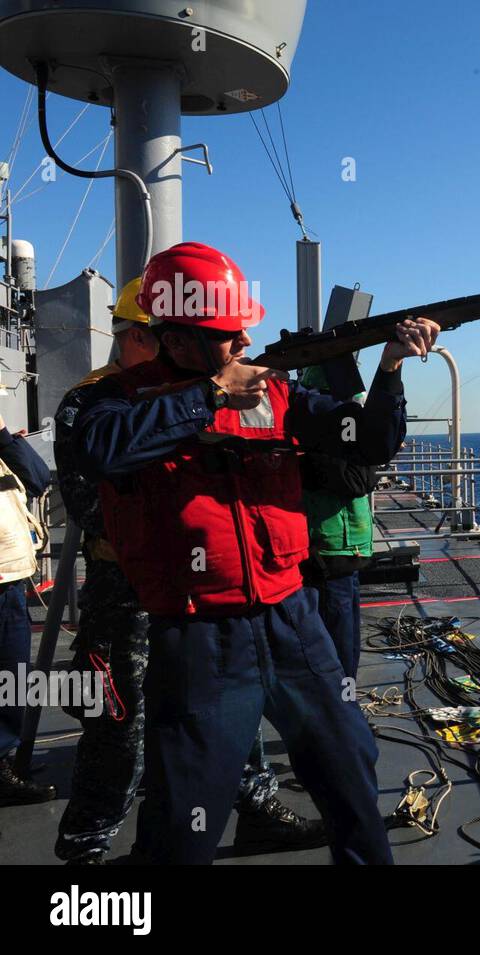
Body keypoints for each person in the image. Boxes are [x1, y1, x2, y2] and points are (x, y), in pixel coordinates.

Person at [71, 242, 436, 864]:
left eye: (243, 328)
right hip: (199, 637)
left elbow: (367, 439)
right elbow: (96, 451)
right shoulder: (114, 400)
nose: (243, 342)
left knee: (350, 768)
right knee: (184, 815)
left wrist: (391, 368)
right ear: (176, 338)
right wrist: (210, 396)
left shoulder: (275, 395)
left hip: (294, 620)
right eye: (225, 334)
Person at [53, 279, 325, 863]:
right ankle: (87, 849)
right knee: (118, 722)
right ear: (136, 338)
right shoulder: (97, 401)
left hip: (211, 587)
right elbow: (90, 503)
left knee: (236, 708)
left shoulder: (216, 392)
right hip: (127, 591)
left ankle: (256, 808)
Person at [297, 362, 376, 681]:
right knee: (336, 645)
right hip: (330, 550)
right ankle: (340, 714)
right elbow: (358, 481)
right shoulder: (325, 436)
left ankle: (343, 707)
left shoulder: (313, 429)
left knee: (342, 639)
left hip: (344, 551)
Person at [0, 412, 55, 805]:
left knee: (12, 676)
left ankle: (3, 760)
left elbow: (38, 477)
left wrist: (4, 438)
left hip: (11, 578)